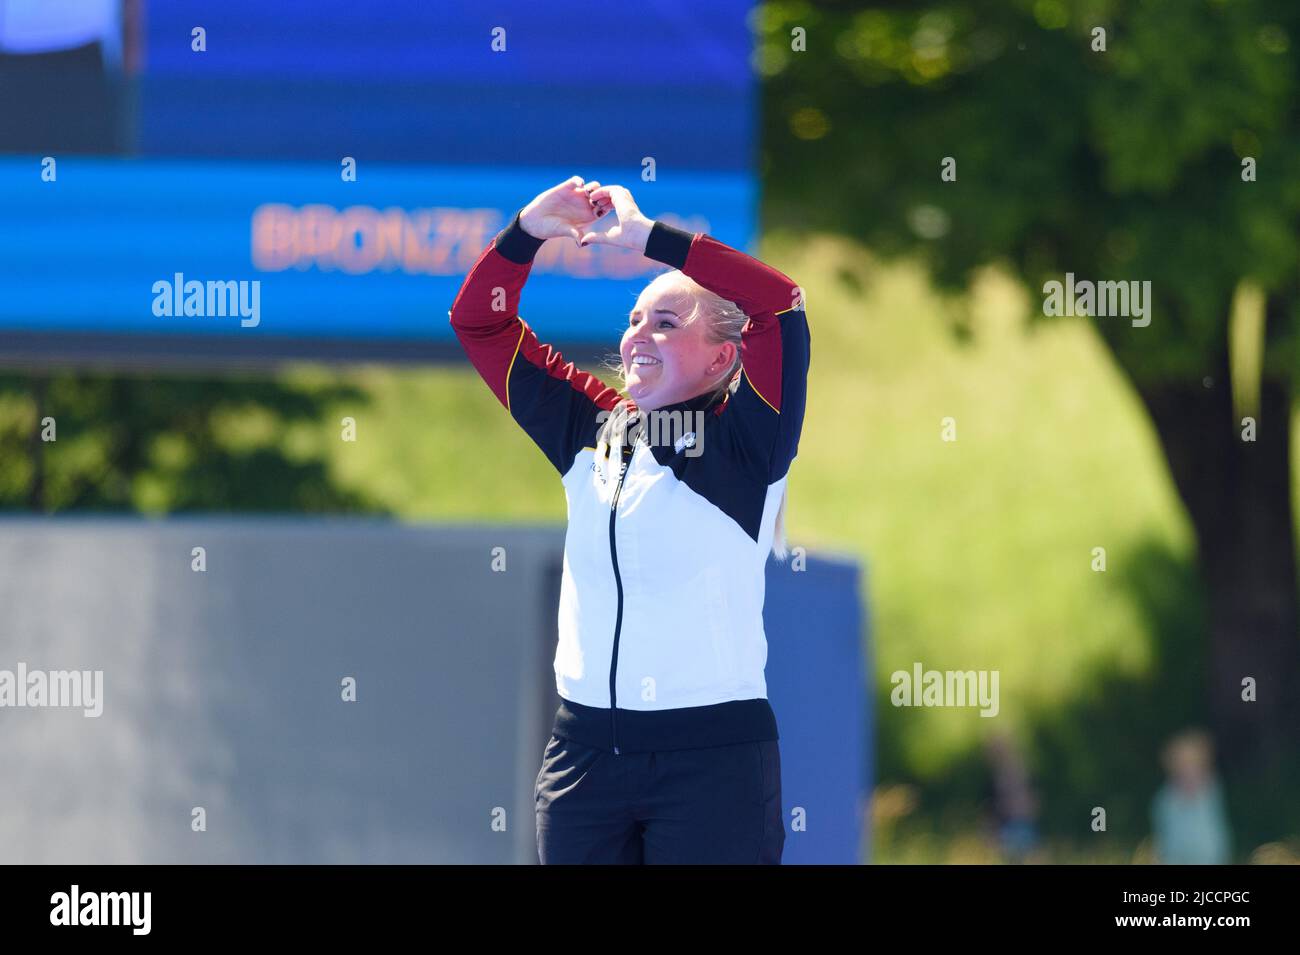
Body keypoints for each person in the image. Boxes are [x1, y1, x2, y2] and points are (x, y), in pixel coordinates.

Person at [449, 177, 810, 864]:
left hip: (713, 758)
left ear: (722, 356)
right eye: (636, 318)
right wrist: (526, 232)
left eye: (667, 323)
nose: (638, 335)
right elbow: (480, 322)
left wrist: (649, 239)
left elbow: (779, 303)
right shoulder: (592, 426)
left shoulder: (747, 442)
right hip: (585, 755)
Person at [1151, 729, 1231, 864]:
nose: (1188, 772)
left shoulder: (1210, 789)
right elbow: (1162, 826)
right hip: (1176, 856)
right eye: (1182, 766)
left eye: (1193, 765)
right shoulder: (1165, 798)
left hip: (1209, 857)